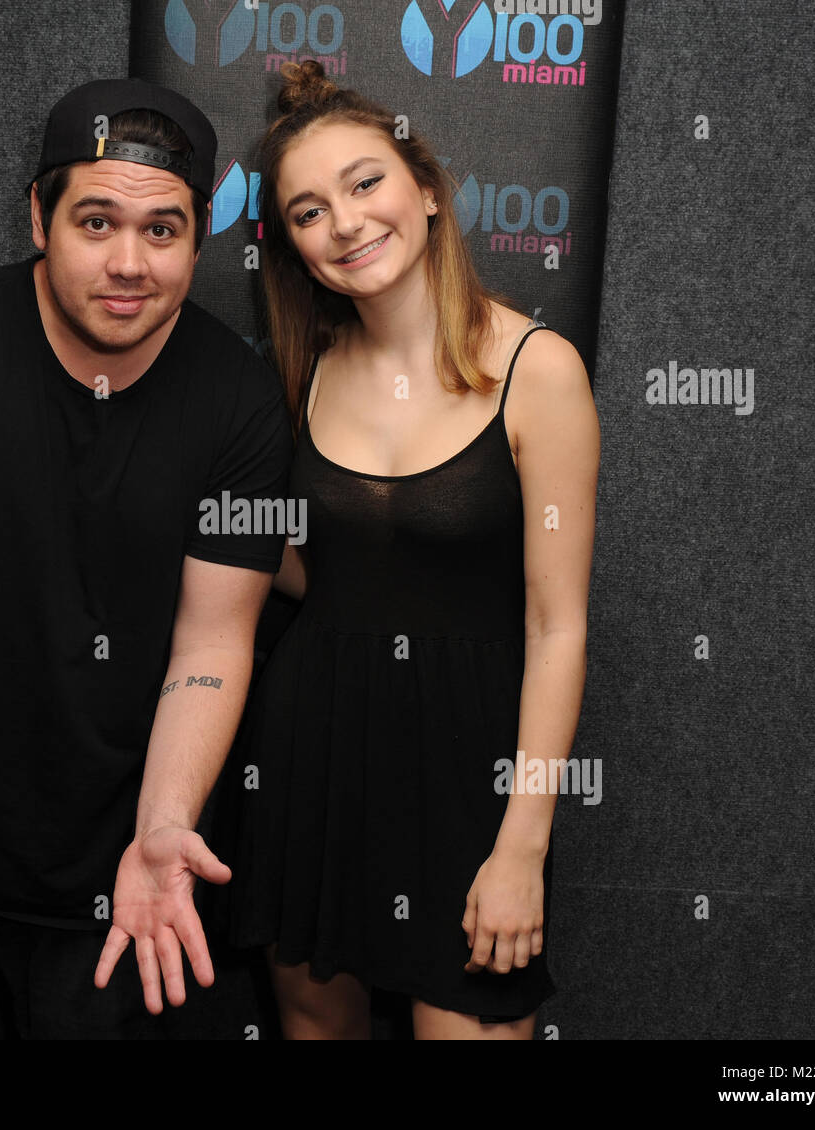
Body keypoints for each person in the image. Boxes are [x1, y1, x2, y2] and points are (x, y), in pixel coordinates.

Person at [0, 78, 294, 1039]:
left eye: (163, 231)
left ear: (201, 240)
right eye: (96, 221)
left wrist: (166, 828)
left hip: (126, 886)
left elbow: (216, 638)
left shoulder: (243, 399)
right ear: (38, 215)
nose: (128, 263)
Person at [225, 61, 600, 1040]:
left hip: (470, 776)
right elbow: (323, 572)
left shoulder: (535, 367)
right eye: (307, 211)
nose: (343, 223)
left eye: (364, 183)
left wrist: (522, 844)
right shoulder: (301, 371)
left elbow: (557, 628)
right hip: (311, 753)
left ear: (425, 190)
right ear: (294, 248)